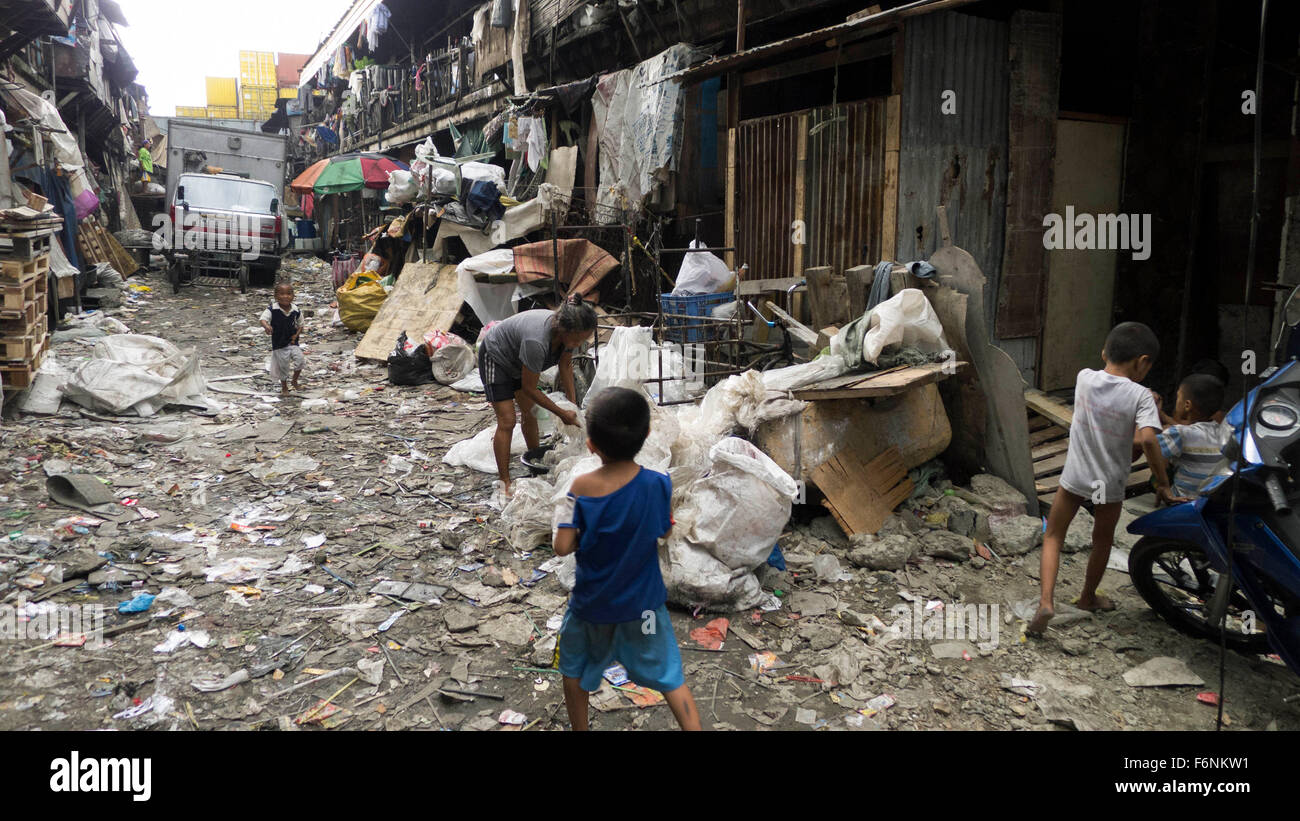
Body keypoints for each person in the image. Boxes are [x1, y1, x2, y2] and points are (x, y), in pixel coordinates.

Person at [553, 387, 701, 731]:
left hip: (593, 609)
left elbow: (562, 547)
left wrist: (568, 518)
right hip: (645, 610)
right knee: (669, 673)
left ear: (591, 444)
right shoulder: (658, 484)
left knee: (573, 668)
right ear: (647, 435)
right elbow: (663, 531)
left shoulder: (581, 488)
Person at [1029, 322, 1172, 636]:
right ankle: (1087, 597)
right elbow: (1147, 441)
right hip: (1109, 482)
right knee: (1101, 541)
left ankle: (1046, 602)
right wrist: (1162, 483)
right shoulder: (1142, 396)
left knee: (1053, 536)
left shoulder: (1084, 378)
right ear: (1143, 362)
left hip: (1075, 476)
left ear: (1105, 352)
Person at [478, 297, 596, 495]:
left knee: (530, 413)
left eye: (582, 340)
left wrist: (572, 405)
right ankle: (504, 481)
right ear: (563, 330)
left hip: (519, 360)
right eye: (577, 340)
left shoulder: (569, 335)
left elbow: (565, 365)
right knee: (507, 421)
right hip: (496, 356)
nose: (578, 344)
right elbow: (529, 388)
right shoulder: (537, 341)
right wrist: (561, 413)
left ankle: (535, 463)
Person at [1153, 373, 1230, 500]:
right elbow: (1190, 431)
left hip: (1183, 501)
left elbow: (1149, 444)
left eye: (1178, 397)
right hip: (1212, 501)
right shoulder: (1223, 431)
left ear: (1187, 405)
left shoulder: (1178, 433)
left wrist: (1150, 414)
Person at [260, 283, 304, 394]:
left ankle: (294, 381)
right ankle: (284, 387)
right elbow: (263, 319)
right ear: (276, 296)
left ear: (293, 296)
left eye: (289, 294)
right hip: (279, 343)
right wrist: (267, 326)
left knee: (300, 361)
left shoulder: (295, 310)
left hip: (293, 342)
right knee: (283, 366)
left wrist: (296, 334)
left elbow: (300, 324)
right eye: (282, 294)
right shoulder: (272, 309)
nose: (285, 296)